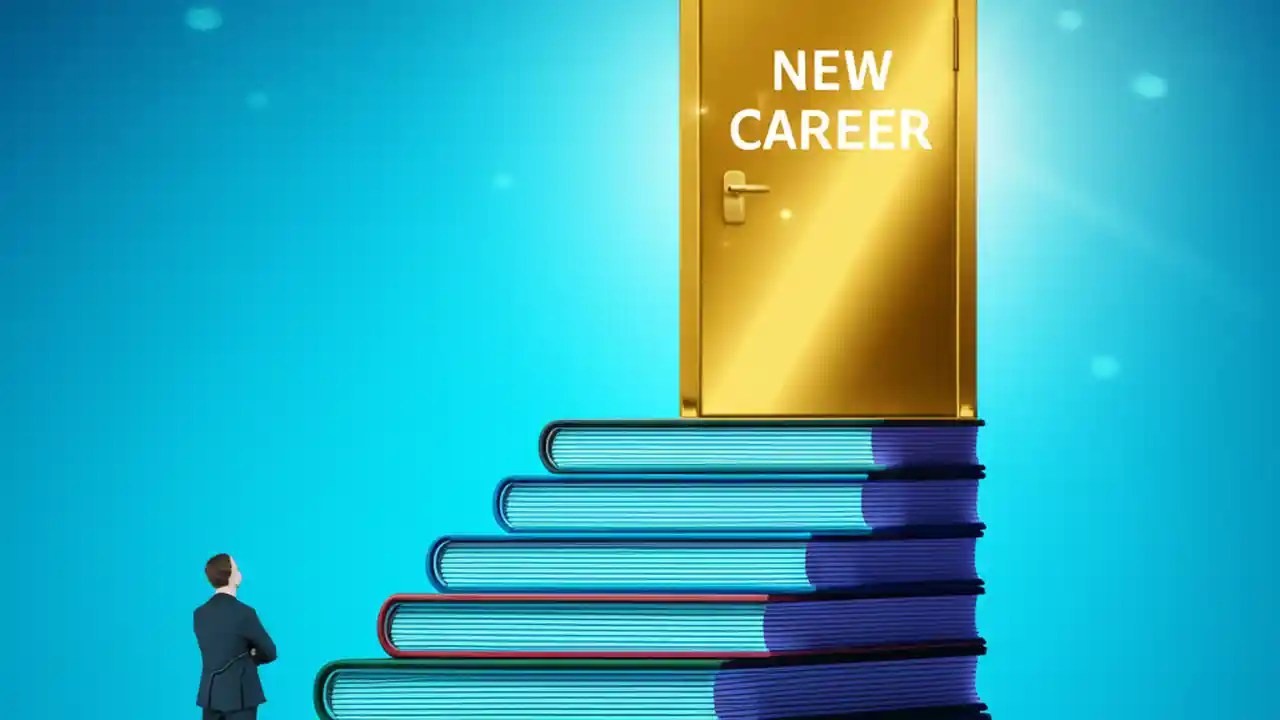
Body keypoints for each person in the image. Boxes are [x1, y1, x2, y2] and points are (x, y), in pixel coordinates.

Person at [194, 554, 277, 719]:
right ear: (231, 575)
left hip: (210, 695)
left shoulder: (200, 614)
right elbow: (269, 651)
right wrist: (251, 655)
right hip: (239, 696)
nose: (239, 572)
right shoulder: (244, 613)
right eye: (237, 568)